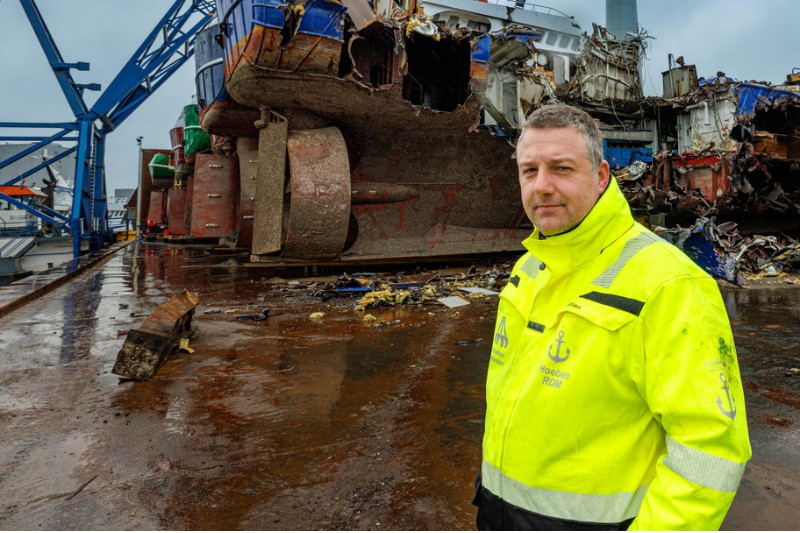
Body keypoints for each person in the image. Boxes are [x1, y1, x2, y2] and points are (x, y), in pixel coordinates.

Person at [473, 104, 751, 530]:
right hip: (499, 514)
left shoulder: (670, 284)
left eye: (561, 169)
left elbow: (711, 451)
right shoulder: (528, 270)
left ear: (601, 176)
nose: (541, 186)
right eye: (529, 171)